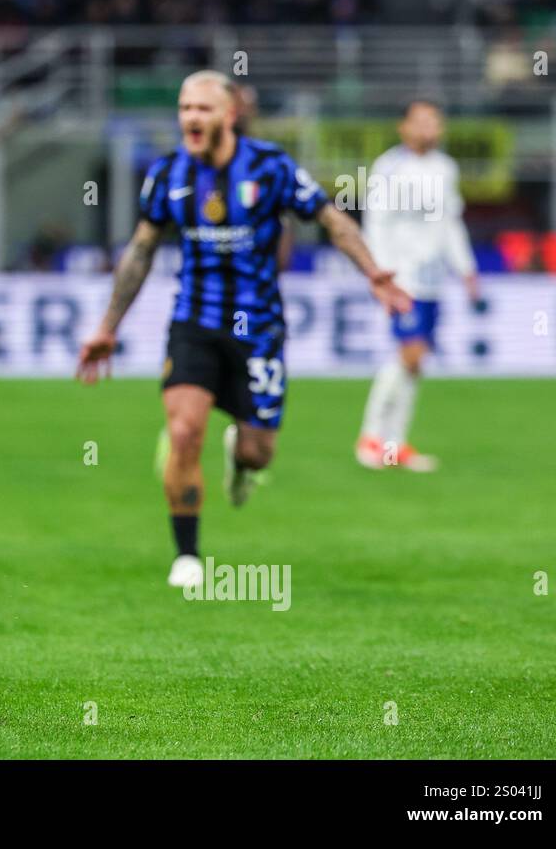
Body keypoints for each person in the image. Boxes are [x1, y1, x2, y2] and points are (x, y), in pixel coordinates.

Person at [77, 70, 411, 589]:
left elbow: (330, 219)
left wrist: (373, 273)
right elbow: (141, 250)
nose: (191, 117)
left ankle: (240, 456)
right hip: (194, 322)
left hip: (258, 329)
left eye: (203, 109)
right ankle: (186, 555)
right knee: (186, 431)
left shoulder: (271, 166)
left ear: (229, 115)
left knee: (259, 452)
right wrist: (106, 326)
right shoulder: (167, 174)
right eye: (185, 108)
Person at [356, 101, 480, 472]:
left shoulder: (445, 168)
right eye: (420, 122)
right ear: (404, 127)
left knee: (416, 361)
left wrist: (466, 269)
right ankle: (371, 438)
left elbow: (451, 223)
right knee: (410, 353)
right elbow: (374, 223)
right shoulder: (390, 168)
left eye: (434, 122)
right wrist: (378, 272)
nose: (428, 129)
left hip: (433, 279)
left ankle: (393, 446)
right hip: (401, 278)